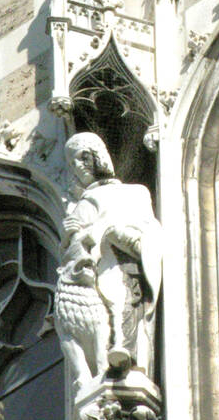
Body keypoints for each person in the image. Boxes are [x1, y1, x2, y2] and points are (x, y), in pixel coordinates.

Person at [60, 132, 162, 379]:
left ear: (98, 155)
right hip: (90, 275)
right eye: (73, 163)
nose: (79, 167)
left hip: (123, 264)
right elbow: (71, 254)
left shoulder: (134, 192)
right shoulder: (80, 204)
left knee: (122, 296)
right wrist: (69, 236)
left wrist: (113, 233)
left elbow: (149, 236)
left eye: (84, 158)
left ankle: (124, 354)